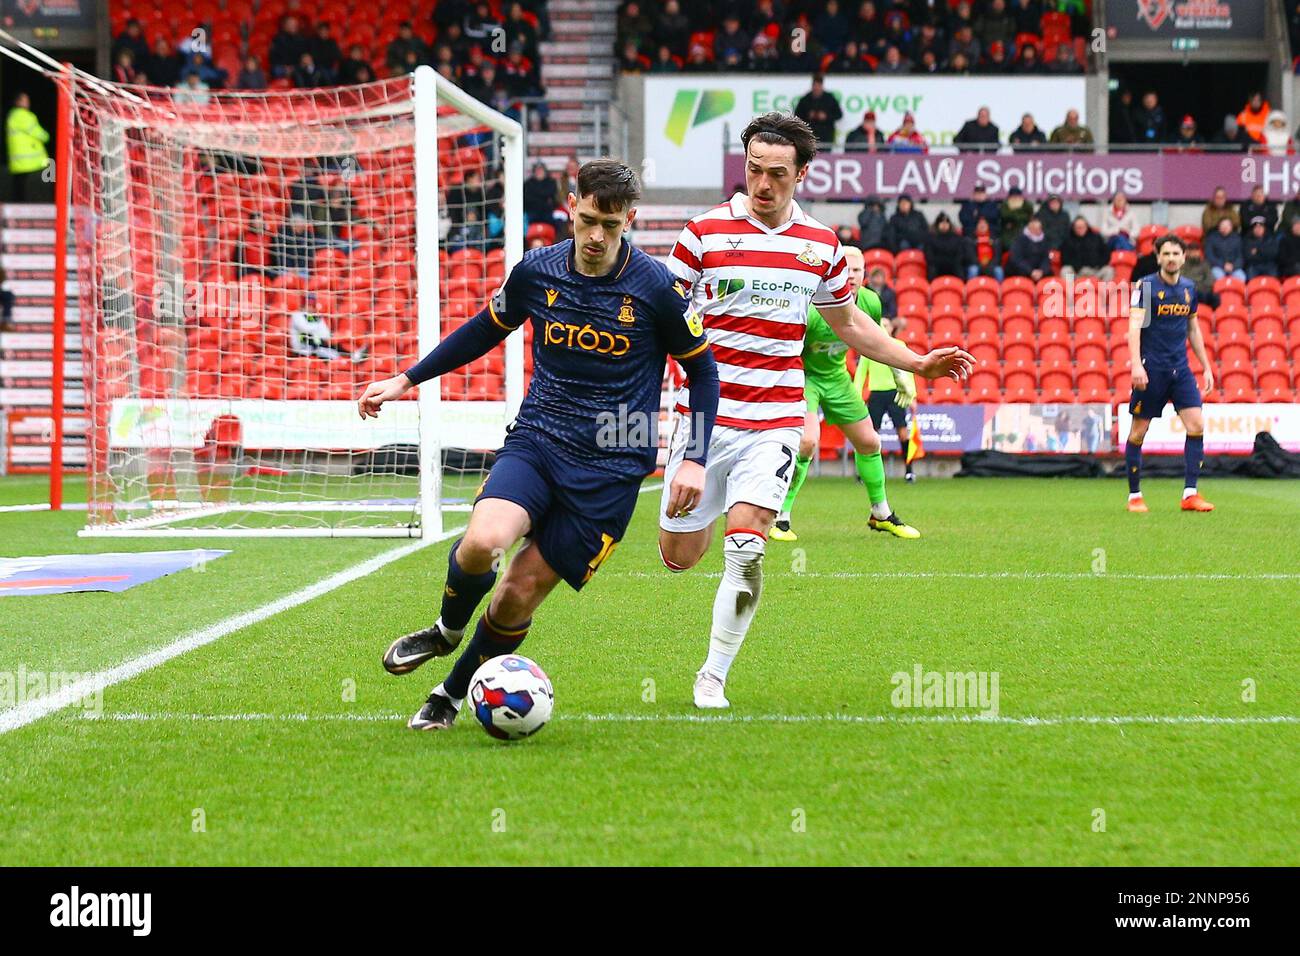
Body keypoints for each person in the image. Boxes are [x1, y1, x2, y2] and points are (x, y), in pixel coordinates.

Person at [360, 159, 720, 730]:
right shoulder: (536, 271)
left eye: (610, 224)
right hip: (540, 439)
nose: (597, 236)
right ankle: (447, 631)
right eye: (587, 220)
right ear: (570, 206)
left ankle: (449, 696)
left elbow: (703, 374)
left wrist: (695, 458)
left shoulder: (657, 289)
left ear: (630, 219)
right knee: (482, 543)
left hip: (611, 467)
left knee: (516, 595)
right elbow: (483, 329)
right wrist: (407, 379)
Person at [659, 112, 973, 709]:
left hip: (775, 416)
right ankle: (690, 522)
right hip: (705, 419)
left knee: (747, 544)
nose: (763, 184)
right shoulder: (701, 233)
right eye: (754, 170)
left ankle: (713, 675)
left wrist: (917, 363)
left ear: (802, 173)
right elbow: (662, 319)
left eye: (777, 173)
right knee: (681, 555)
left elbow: (851, 324)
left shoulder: (820, 247)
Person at [771, 246, 920, 543]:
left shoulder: (870, 303)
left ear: (864, 275)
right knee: (807, 441)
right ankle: (780, 517)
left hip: (837, 378)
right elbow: (786, 352)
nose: (851, 275)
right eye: (845, 269)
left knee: (869, 441)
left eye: (856, 270)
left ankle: (880, 514)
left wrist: (899, 375)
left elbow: (877, 343)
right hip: (804, 376)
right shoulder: (813, 308)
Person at [1124, 235, 1214, 514]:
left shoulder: (1189, 289)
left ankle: (1190, 494)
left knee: (1196, 425)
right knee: (1139, 431)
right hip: (1152, 369)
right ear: (1158, 257)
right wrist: (1136, 365)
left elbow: (1193, 329)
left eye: (1176, 253)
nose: (1172, 258)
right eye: (1167, 253)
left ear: (1184, 257)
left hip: (1181, 370)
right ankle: (1135, 496)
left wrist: (1206, 365)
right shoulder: (1145, 287)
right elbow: (1134, 326)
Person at [859, 314, 919, 482]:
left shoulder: (899, 345)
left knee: (902, 433)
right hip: (876, 394)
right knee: (870, 436)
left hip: (896, 393)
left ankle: (909, 470)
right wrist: (857, 395)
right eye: (881, 325)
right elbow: (861, 373)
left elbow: (908, 370)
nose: (884, 328)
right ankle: (866, 473)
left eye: (886, 325)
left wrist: (912, 395)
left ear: (892, 328)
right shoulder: (868, 347)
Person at [6, 92, 48, 203]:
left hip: (19, 160)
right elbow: (37, 132)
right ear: (18, 102)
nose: (27, 102)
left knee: (19, 185)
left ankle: (19, 204)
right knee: (40, 181)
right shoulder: (23, 115)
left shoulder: (12, 115)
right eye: (24, 100)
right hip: (31, 161)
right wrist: (47, 137)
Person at [289, 308, 368, 363]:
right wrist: (317, 329)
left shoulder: (314, 317)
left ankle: (352, 355)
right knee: (309, 337)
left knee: (332, 350)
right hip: (301, 346)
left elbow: (325, 333)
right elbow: (305, 328)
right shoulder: (297, 315)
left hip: (316, 347)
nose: (311, 307)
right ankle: (351, 355)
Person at [794, 74, 843, 148]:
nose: (817, 88)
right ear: (812, 86)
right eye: (815, 86)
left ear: (822, 86)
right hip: (809, 135)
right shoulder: (805, 100)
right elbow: (797, 116)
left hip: (826, 135)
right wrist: (808, 116)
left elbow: (839, 115)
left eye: (818, 86)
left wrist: (826, 116)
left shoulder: (829, 99)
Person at [924, 212, 970, 279]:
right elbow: (929, 256)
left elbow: (960, 254)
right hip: (937, 265)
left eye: (946, 223)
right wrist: (940, 262)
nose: (944, 225)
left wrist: (952, 262)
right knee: (932, 269)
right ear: (937, 224)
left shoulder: (957, 238)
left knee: (959, 269)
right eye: (942, 222)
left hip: (953, 265)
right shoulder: (931, 239)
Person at [1204, 216, 1242, 281]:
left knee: (1241, 277)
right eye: (1223, 225)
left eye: (1228, 225)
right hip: (1218, 267)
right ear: (1219, 226)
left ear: (1231, 227)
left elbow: (1240, 256)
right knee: (1219, 277)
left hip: (1233, 267)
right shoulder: (1212, 238)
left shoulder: (1237, 238)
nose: (1225, 227)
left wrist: (1234, 266)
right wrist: (1223, 265)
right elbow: (1209, 256)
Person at [998, 186, 1033, 250]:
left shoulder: (1026, 205)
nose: (1015, 198)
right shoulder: (1004, 205)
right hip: (1008, 234)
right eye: (1013, 196)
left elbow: (1029, 217)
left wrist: (1015, 213)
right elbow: (1005, 216)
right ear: (1009, 197)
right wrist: (1019, 213)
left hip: (1024, 233)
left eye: (1017, 196)